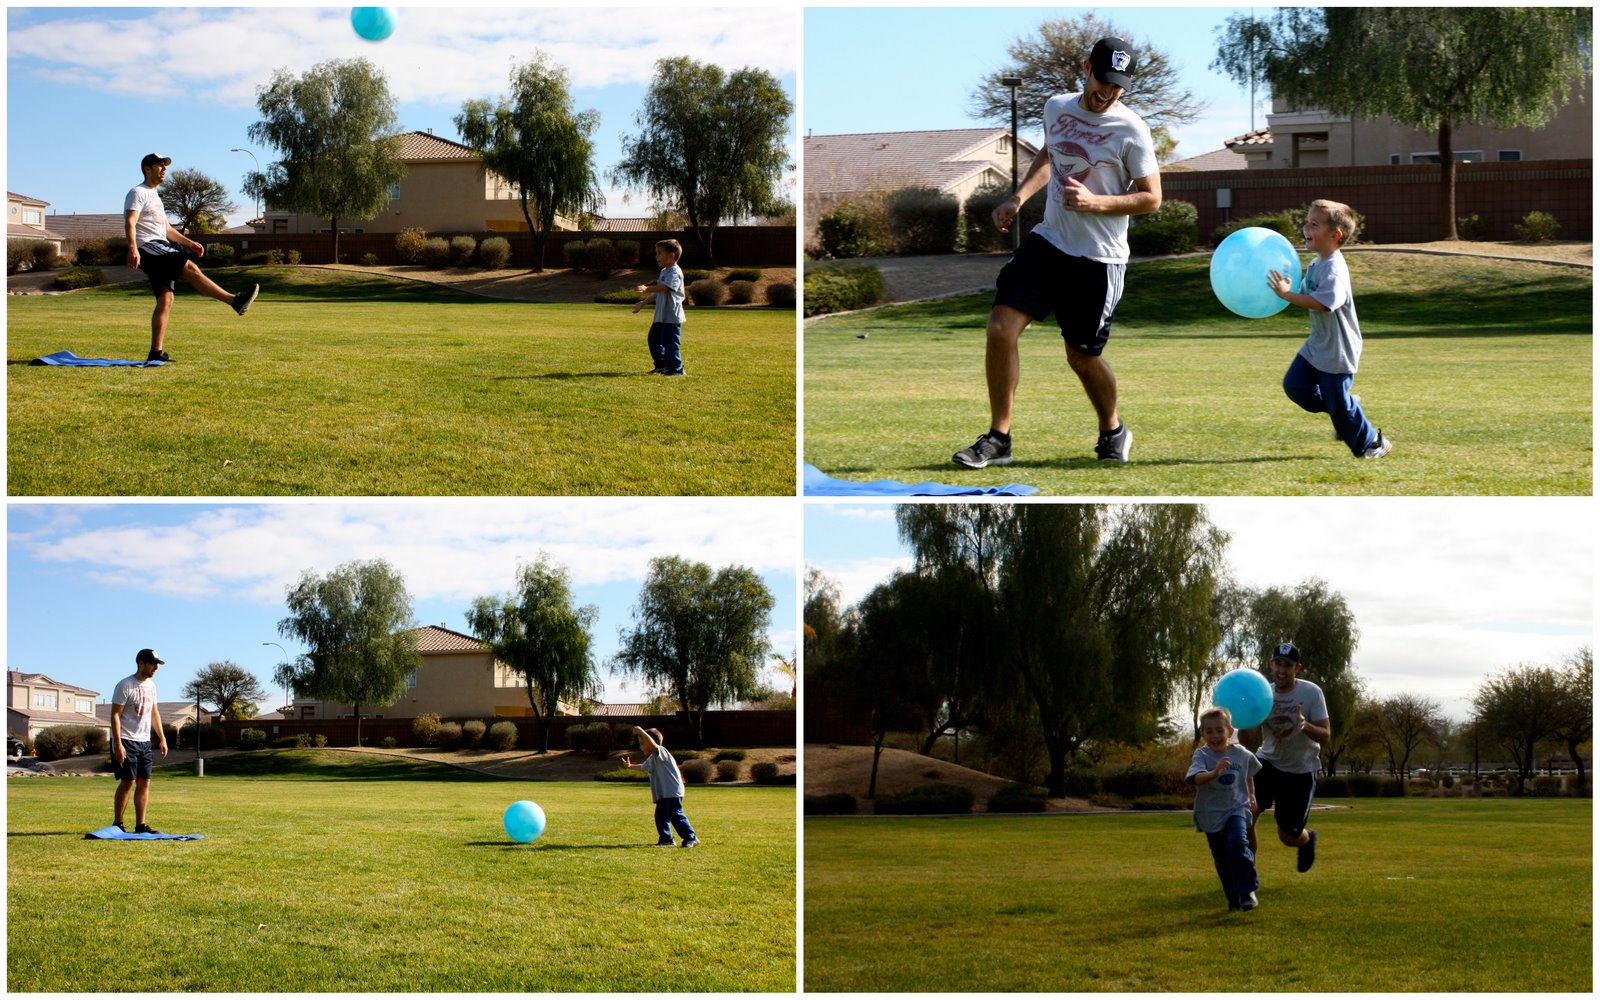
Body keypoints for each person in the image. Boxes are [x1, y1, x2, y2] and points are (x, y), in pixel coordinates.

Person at [953, 36, 1161, 470]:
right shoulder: (1056, 108)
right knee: (1000, 327)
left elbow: (1151, 198)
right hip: (1049, 241)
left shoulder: (1132, 130)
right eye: (1103, 80)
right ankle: (999, 439)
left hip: (1099, 258)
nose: (1108, 92)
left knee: (1081, 356)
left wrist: (1095, 203)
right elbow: (1051, 153)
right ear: (1086, 68)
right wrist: (1019, 198)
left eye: (1118, 86)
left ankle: (1113, 429)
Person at [1268, 199, 1392, 459]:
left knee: (1338, 404)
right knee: (1295, 386)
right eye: (1307, 222)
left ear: (1335, 235)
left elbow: (1324, 303)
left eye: (1314, 224)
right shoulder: (1316, 264)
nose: (1306, 228)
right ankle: (1348, 404)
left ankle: (1372, 442)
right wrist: (1291, 287)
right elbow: (1307, 294)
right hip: (1318, 344)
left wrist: (1288, 295)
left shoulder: (1334, 268)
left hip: (1338, 350)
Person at [125, 153, 259, 363]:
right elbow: (130, 221)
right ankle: (235, 301)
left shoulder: (155, 197)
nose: (164, 169)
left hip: (159, 244)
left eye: (165, 166)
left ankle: (155, 352)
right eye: (159, 165)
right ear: (147, 169)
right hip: (149, 247)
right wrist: (133, 248)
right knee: (189, 267)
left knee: (166, 300)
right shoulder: (138, 192)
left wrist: (190, 243)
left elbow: (167, 229)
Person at [1249, 642, 1330, 873]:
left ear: (1297, 668)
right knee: (1246, 816)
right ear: (1270, 664)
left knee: (1287, 836)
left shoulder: (1311, 693)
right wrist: (1248, 719)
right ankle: (1247, 874)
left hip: (1300, 770)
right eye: (1278, 664)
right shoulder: (1262, 693)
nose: (1282, 670)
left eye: (1288, 665)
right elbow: (1247, 741)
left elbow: (1325, 737)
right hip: (1267, 763)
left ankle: (1307, 839)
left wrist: (1306, 726)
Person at [1187, 706, 1262, 911]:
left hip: (1236, 807)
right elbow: (1195, 778)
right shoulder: (1201, 755)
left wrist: (1252, 795)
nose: (1215, 736)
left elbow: (1248, 773)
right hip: (1210, 812)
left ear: (1229, 731)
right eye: (1209, 731)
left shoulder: (1241, 753)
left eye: (1219, 730)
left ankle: (1247, 891)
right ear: (1202, 733)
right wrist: (1214, 773)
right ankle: (1233, 898)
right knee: (1221, 858)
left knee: (1238, 844)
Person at [111, 648, 169, 834]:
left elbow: (154, 713)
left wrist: (162, 738)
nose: (155, 668)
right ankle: (118, 824)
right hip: (126, 739)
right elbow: (115, 715)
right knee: (128, 781)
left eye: (157, 665)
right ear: (141, 663)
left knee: (144, 782)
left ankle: (140, 825)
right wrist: (118, 744)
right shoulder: (125, 685)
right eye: (152, 664)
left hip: (144, 741)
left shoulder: (152, 686)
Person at [620, 726, 699, 848]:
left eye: (642, 743)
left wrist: (640, 731)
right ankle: (666, 839)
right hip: (663, 794)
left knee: (675, 814)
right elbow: (643, 767)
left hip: (672, 791)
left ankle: (690, 837)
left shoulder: (661, 752)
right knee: (660, 816)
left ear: (651, 742)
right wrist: (630, 766)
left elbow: (653, 745)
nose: (640, 747)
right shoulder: (652, 758)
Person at [632, 239, 687, 376]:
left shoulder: (675, 271)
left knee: (670, 342)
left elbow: (665, 287)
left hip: (671, 316)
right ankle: (661, 365)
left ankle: (676, 369)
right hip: (660, 316)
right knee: (654, 339)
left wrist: (646, 288)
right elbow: (657, 293)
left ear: (672, 255)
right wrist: (643, 303)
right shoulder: (664, 271)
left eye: (660, 253)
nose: (656, 256)